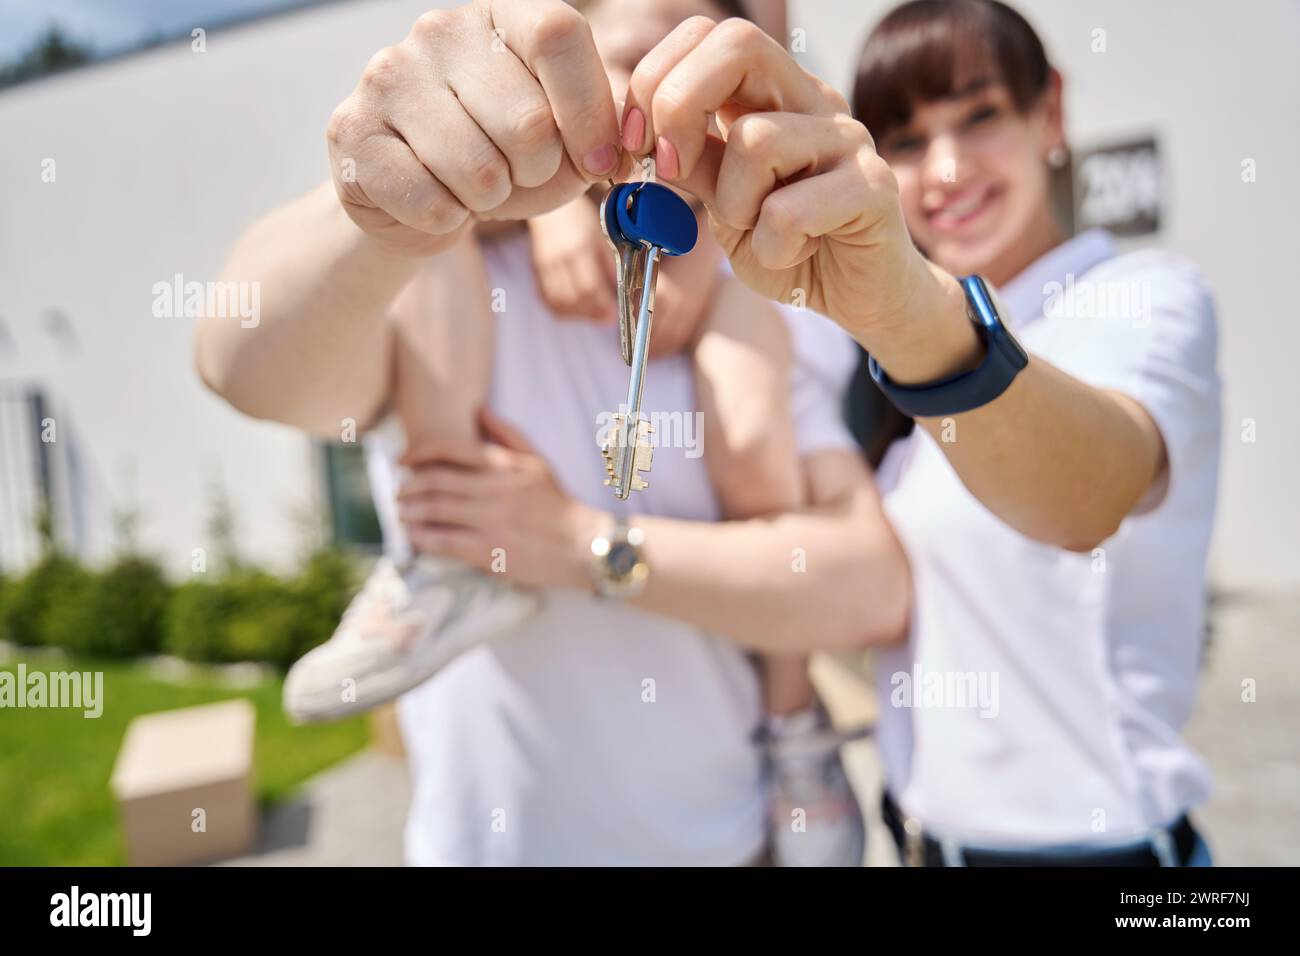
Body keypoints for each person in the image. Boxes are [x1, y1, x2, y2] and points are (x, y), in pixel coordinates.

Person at [196, 0, 909, 866]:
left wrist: (581, 546)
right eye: (642, 57)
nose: (677, 94)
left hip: (729, 837)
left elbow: (867, 586)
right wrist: (392, 197)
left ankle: (792, 724)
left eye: (710, 70)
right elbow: (240, 363)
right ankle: (448, 575)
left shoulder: (765, 298)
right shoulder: (444, 269)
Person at [844, 0, 1220, 865]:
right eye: (904, 141)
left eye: (980, 117)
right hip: (921, 843)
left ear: (1048, 111)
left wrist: (915, 324)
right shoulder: (875, 353)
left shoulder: (1145, 300)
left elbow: (1083, 496)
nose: (945, 168)